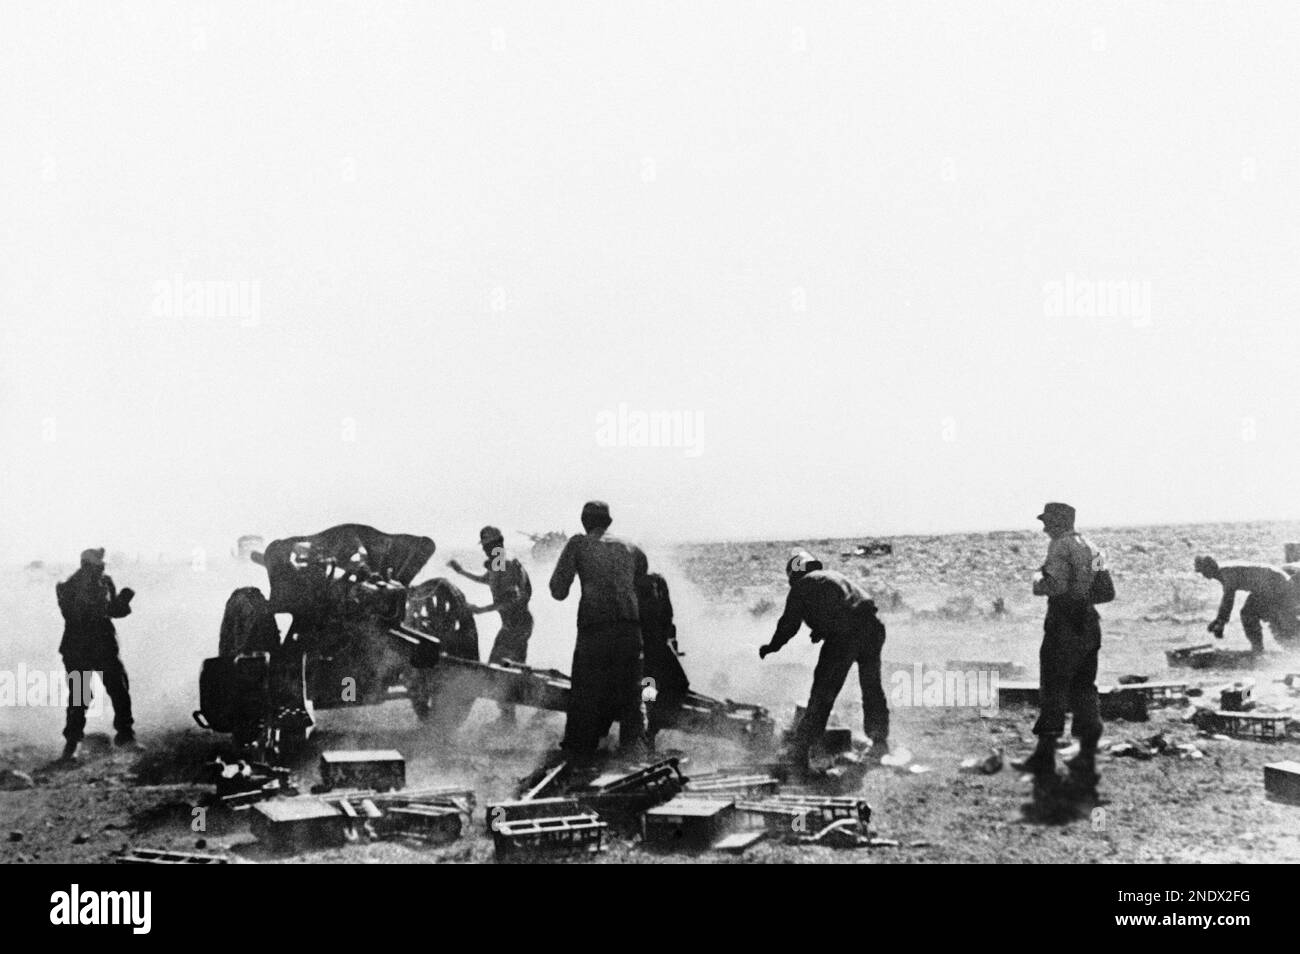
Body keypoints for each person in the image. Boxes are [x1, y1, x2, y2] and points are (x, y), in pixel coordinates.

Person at [758, 548, 889, 778]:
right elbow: (842, 608)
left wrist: (771, 646)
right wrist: (824, 629)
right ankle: (879, 741)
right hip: (873, 627)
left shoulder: (802, 585)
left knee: (822, 694)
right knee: (871, 687)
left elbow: (789, 625)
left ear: (793, 575)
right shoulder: (832, 576)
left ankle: (799, 752)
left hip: (845, 637)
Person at [549, 501, 648, 761]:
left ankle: (579, 751)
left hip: (596, 629)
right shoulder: (631, 546)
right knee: (631, 693)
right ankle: (633, 750)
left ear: (584, 521)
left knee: (586, 692)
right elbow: (643, 583)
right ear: (609, 522)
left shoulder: (579, 544)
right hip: (630, 628)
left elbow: (558, 590)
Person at [1014, 503, 1105, 784]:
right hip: (1089, 623)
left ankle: (1044, 757)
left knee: (1053, 686)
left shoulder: (1059, 547)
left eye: (1048, 521)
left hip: (1064, 622)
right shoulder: (1094, 548)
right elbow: (1107, 591)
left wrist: (1037, 579)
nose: (1044, 527)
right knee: (1084, 686)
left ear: (1058, 522)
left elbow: (1055, 586)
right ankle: (1086, 753)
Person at [55, 548, 138, 762]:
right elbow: (74, 613)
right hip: (79, 647)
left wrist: (123, 602)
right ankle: (72, 743)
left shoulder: (104, 582)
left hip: (103, 644)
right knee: (80, 695)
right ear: (85, 565)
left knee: (118, 688)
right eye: (97, 566)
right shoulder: (68, 586)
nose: (101, 569)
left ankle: (126, 736)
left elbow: (113, 611)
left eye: (102, 566)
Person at [448, 526, 534, 726]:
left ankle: (509, 718)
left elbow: (513, 596)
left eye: (487, 546)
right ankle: (508, 717)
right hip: (515, 624)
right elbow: (487, 580)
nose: (485, 551)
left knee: (500, 670)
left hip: (516, 625)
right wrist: (460, 571)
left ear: (493, 545)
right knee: (507, 670)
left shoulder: (503, 561)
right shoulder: (501, 560)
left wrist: (482, 610)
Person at [1194, 555, 1298, 652]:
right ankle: (1288, 647)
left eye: (1204, 570)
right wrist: (1219, 620)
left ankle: (1258, 649)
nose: (1204, 575)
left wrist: (1220, 621)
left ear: (1211, 568)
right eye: (1202, 571)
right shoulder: (1224, 572)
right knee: (1270, 617)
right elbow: (1227, 599)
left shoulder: (1227, 574)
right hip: (1273, 584)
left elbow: (1228, 599)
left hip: (1275, 584)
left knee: (1248, 614)